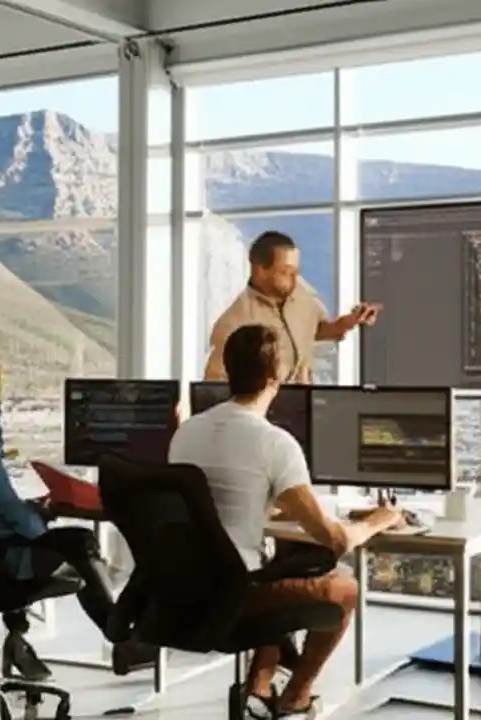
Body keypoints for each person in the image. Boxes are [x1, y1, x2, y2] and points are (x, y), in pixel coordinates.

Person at [172, 324, 404, 719]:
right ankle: (296, 697)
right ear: (278, 376)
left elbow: (214, 502)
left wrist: (271, 506)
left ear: (227, 370)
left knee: (280, 567)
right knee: (343, 587)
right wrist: (379, 521)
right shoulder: (274, 443)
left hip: (184, 589)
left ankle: (258, 690)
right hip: (235, 594)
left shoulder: (186, 432)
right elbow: (334, 540)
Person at [0, 340, 157, 681]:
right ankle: (122, 640)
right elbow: (10, 512)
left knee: (46, 537)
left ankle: (19, 638)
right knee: (77, 543)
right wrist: (41, 525)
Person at [204, 230, 381, 384]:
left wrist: (346, 323)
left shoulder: (301, 294)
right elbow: (215, 388)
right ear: (260, 271)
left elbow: (315, 330)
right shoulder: (234, 324)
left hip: (305, 406)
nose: (294, 279)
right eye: (285, 272)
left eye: (296, 272)